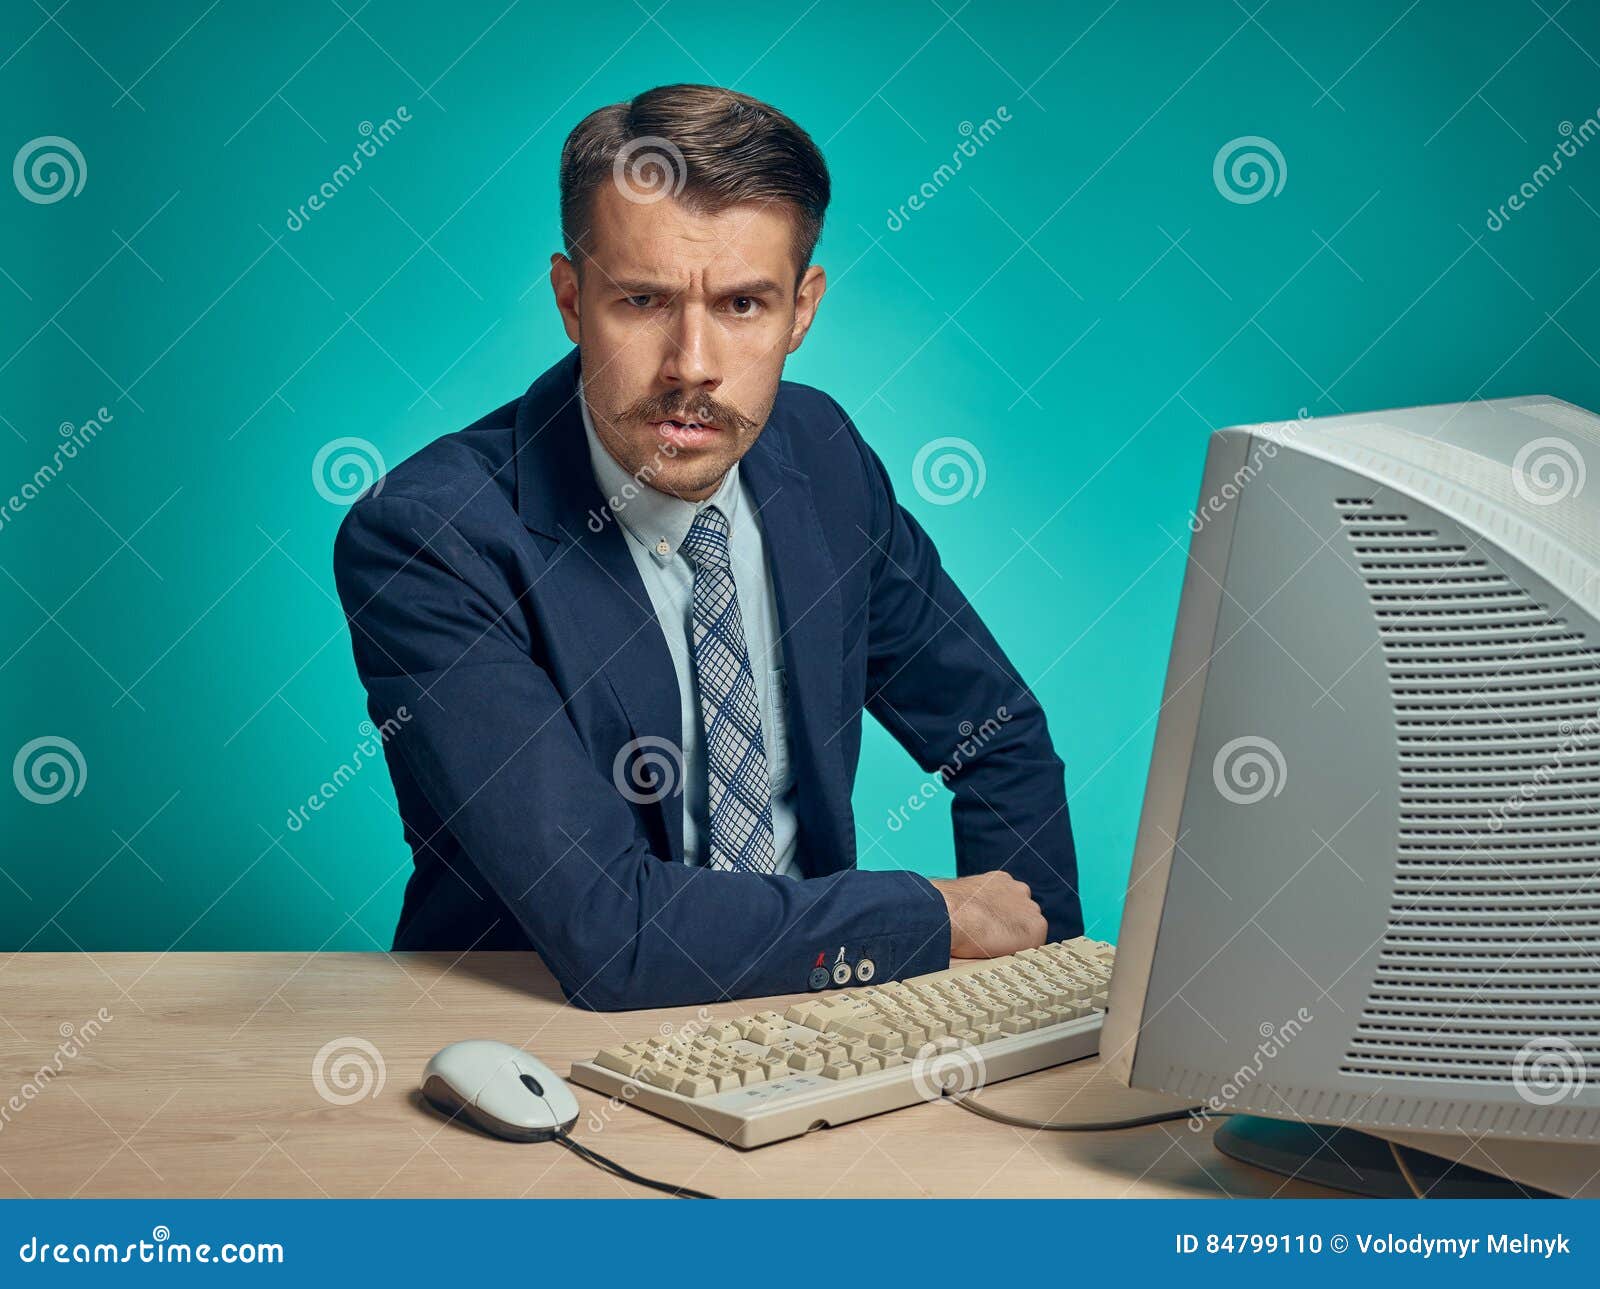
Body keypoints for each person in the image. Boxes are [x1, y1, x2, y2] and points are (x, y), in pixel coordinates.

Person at [333, 83, 1082, 1010]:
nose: (691, 364)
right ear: (572, 299)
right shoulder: (429, 539)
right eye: (643, 300)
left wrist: (1038, 992)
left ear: (801, 310)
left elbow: (997, 734)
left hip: (816, 1020)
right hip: (542, 1036)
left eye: (741, 304)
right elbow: (608, 930)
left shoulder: (824, 457)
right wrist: (935, 915)